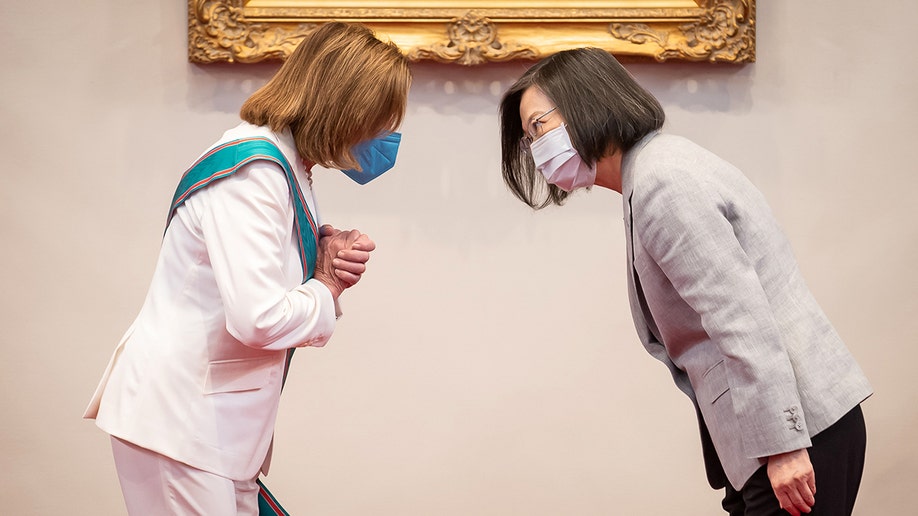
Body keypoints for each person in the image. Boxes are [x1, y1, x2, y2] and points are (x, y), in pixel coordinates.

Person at [498, 47, 872, 516]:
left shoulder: (664, 182)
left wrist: (783, 446)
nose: (536, 151)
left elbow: (739, 318)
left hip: (798, 432)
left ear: (585, 104)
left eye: (539, 127)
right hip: (778, 436)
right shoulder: (653, 173)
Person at [84, 22, 411, 515]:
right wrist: (325, 284)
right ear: (344, 110)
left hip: (213, 429)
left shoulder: (286, 163)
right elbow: (257, 318)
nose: (384, 137)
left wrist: (319, 251)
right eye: (378, 120)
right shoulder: (254, 172)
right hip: (182, 425)